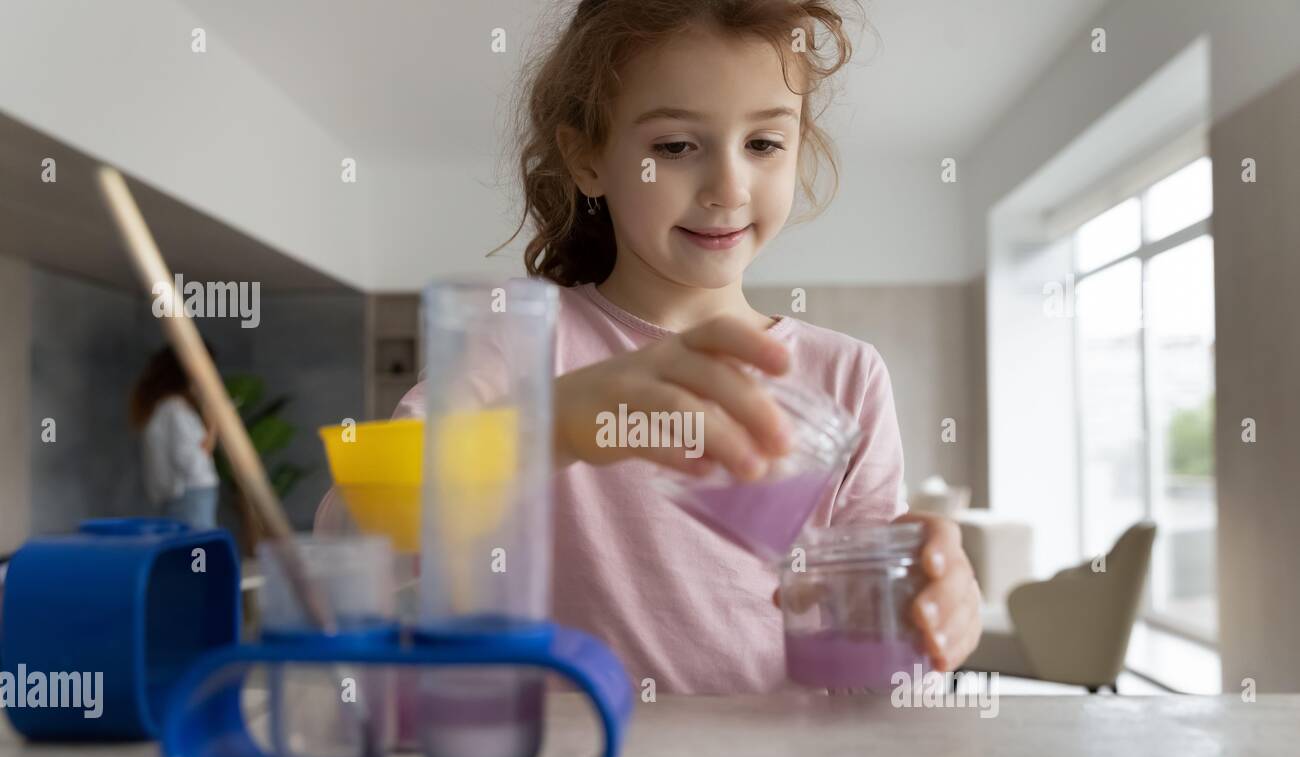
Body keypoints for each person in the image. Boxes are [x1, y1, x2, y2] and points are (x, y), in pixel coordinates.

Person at [343, 0, 982, 693]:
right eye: (675, 147)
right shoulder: (519, 340)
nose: (728, 188)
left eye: (764, 143)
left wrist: (935, 601)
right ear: (588, 158)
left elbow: (870, 622)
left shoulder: (849, 374)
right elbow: (353, 539)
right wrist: (548, 429)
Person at [129, 344, 219, 530]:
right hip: (190, 496)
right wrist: (211, 431)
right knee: (196, 552)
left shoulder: (162, 408)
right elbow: (192, 463)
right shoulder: (175, 410)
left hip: (179, 497)